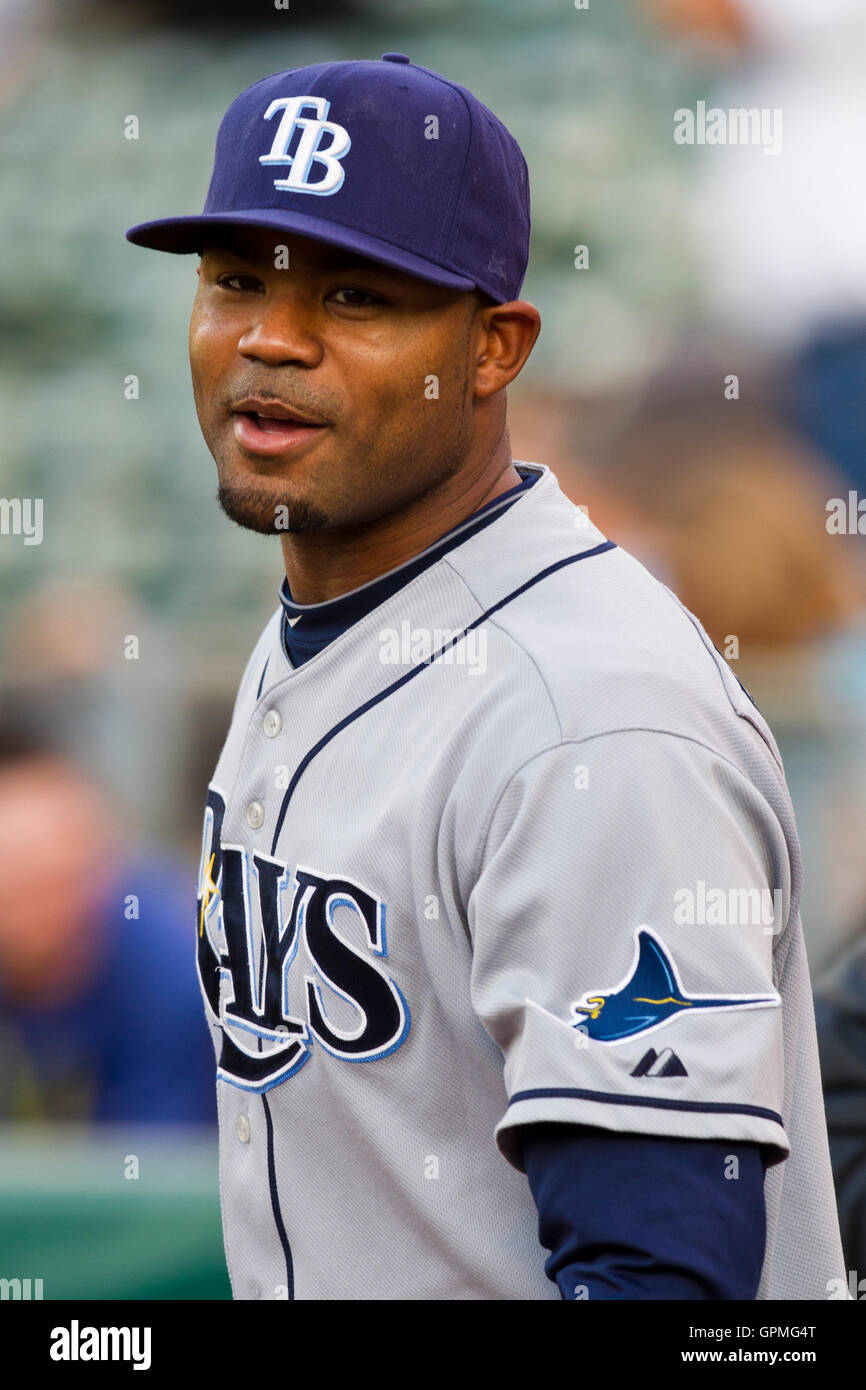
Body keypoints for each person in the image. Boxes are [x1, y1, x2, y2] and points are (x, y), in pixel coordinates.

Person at [126, 54, 844, 1300]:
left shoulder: (588, 723)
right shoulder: (340, 605)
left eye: (354, 297)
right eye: (237, 279)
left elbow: (659, 1280)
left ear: (493, 348)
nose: (268, 340)